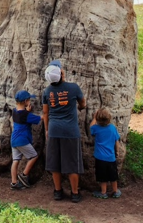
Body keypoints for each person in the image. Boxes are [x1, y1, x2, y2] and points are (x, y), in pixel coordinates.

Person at [42, 59, 86, 203]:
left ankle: (58, 192)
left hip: (54, 130)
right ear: (61, 73)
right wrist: (79, 108)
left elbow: (45, 113)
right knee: (72, 164)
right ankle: (74, 193)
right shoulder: (73, 88)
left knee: (55, 164)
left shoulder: (47, 91)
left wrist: (47, 130)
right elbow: (83, 103)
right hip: (71, 132)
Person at [10, 89, 42, 190]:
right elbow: (40, 118)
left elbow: (21, 116)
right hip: (22, 140)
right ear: (25, 102)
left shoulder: (14, 111)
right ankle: (24, 175)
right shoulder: (26, 115)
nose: (30, 101)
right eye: (29, 100)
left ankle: (14, 182)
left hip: (14, 140)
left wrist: (26, 111)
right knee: (33, 156)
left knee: (15, 161)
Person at [89, 107, 122, 199]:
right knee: (113, 175)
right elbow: (116, 141)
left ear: (98, 118)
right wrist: (117, 152)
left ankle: (103, 192)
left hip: (100, 157)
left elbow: (91, 127)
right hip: (111, 157)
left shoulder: (96, 128)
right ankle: (115, 191)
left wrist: (94, 118)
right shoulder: (112, 128)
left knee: (102, 175)